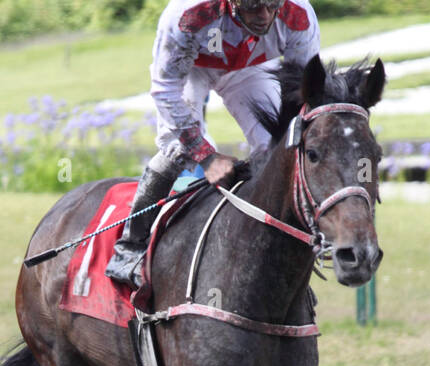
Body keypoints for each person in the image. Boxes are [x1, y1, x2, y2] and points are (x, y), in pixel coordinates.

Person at [105, 0, 321, 287]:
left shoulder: (298, 13)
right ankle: (131, 246)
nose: (264, 17)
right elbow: (165, 90)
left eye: (272, 7)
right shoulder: (189, 15)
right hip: (190, 69)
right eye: (253, 8)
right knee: (177, 150)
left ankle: (282, 247)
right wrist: (206, 157)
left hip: (249, 67)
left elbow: (301, 89)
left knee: (280, 146)